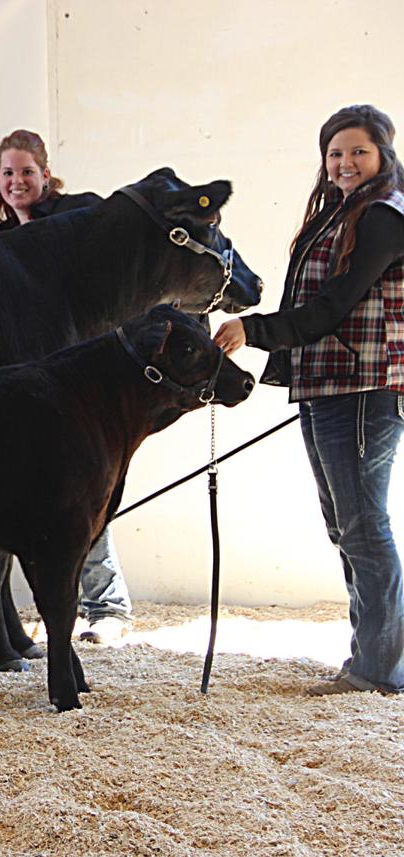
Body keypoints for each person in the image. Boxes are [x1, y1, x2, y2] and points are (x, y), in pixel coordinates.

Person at [215, 104, 404, 696]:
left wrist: (255, 330)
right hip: (329, 384)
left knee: (363, 525)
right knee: (344, 524)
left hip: (364, 388)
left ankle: (380, 669)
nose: (345, 163)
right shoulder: (338, 212)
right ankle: (371, 655)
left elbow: (333, 307)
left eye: (358, 152)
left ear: (383, 155)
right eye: (335, 153)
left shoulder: (381, 216)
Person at [0, 129, 134, 645]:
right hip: (27, 390)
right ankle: (53, 612)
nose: (17, 181)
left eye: (27, 171)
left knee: (81, 495)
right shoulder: (1, 243)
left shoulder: (75, 221)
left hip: (77, 384)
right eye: (8, 172)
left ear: (46, 176)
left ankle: (108, 609)